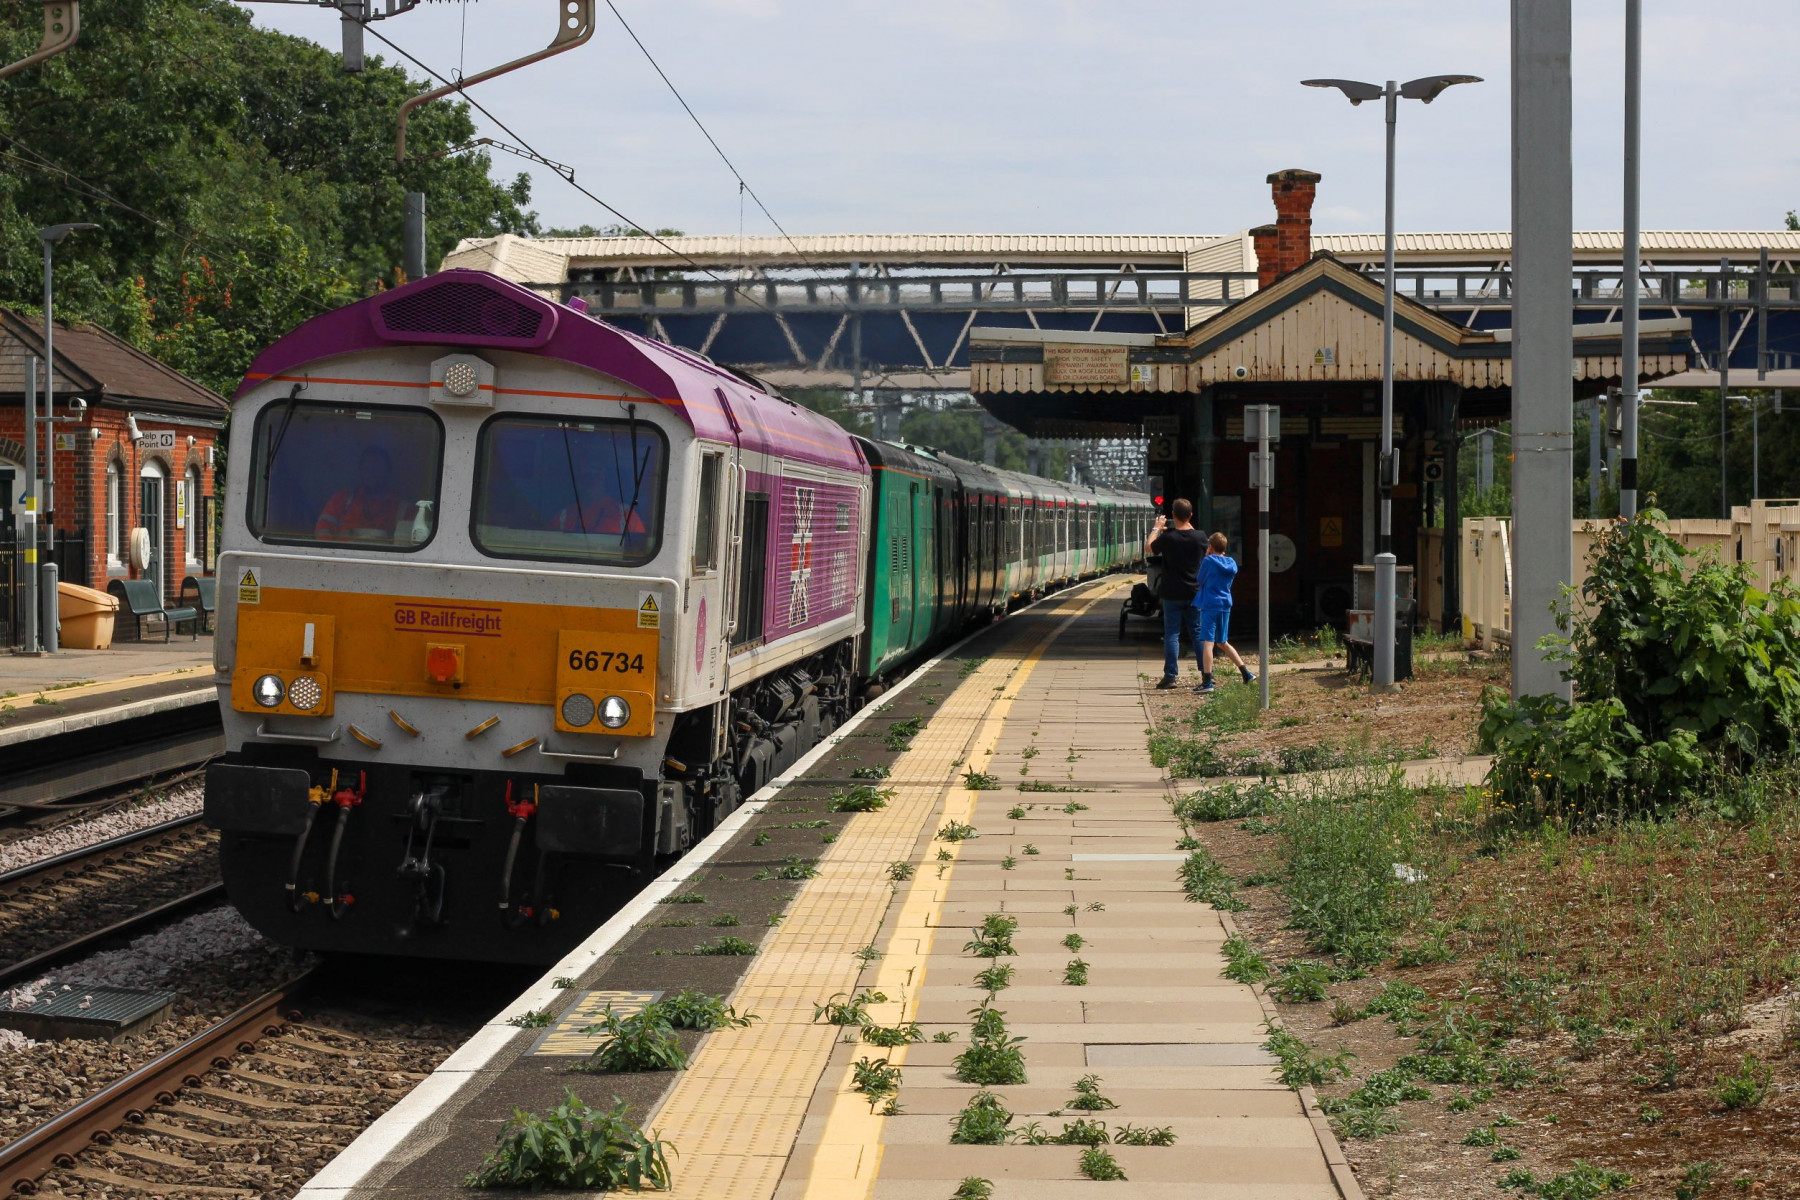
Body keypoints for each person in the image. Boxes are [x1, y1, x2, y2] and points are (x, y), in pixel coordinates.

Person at [1145, 499, 1206, 689]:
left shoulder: (1168, 537)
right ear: (1191, 515)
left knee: (1172, 634)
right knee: (1197, 633)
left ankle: (1170, 676)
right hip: (1194, 592)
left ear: (1172, 515)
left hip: (1172, 592)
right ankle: (1206, 674)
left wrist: (1157, 528)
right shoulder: (1201, 537)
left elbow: (1149, 547)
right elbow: (1195, 538)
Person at [1197, 531, 1256, 694]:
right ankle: (1246, 673)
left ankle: (1207, 681)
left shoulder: (1208, 561)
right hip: (1225, 604)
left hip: (1210, 604)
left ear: (1210, 547)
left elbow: (1200, 580)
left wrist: (1208, 556)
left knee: (1208, 642)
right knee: (1222, 642)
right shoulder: (1232, 562)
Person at [315, 446, 402, 541]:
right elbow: (322, 531)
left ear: (388, 472)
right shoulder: (341, 500)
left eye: (377, 468)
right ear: (360, 470)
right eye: (367, 468)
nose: (372, 473)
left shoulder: (402, 510)